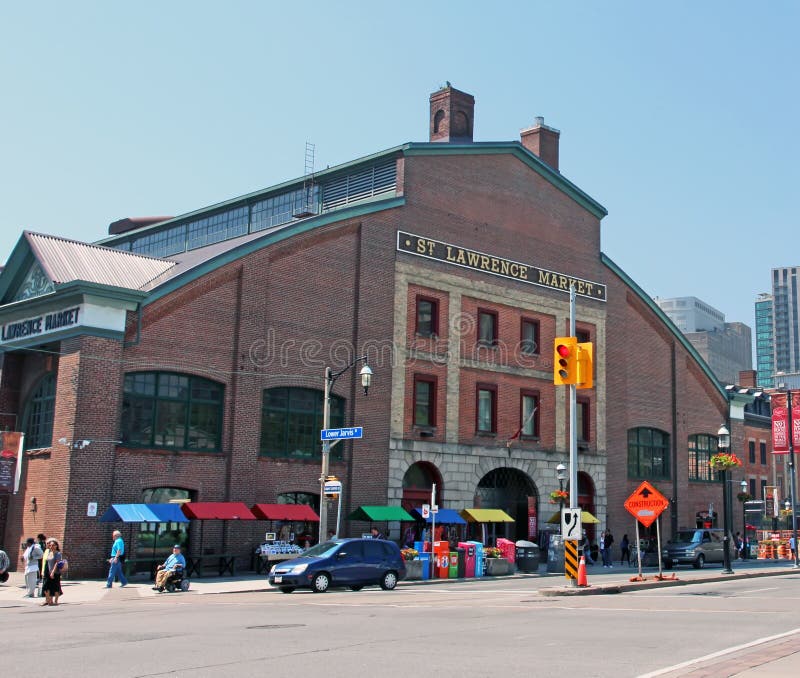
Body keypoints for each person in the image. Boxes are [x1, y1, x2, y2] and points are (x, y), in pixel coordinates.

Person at [40, 538, 64, 606]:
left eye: (53, 545)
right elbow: (46, 563)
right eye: (50, 545)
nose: (51, 546)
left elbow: (57, 563)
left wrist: (53, 572)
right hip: (48, 572)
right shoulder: (48, 552)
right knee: (46, 587)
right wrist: (44, 572)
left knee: (56, 587)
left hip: (55, 573)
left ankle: (55, 601)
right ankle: (48, 600)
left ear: (56, 546)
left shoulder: (58, 553)